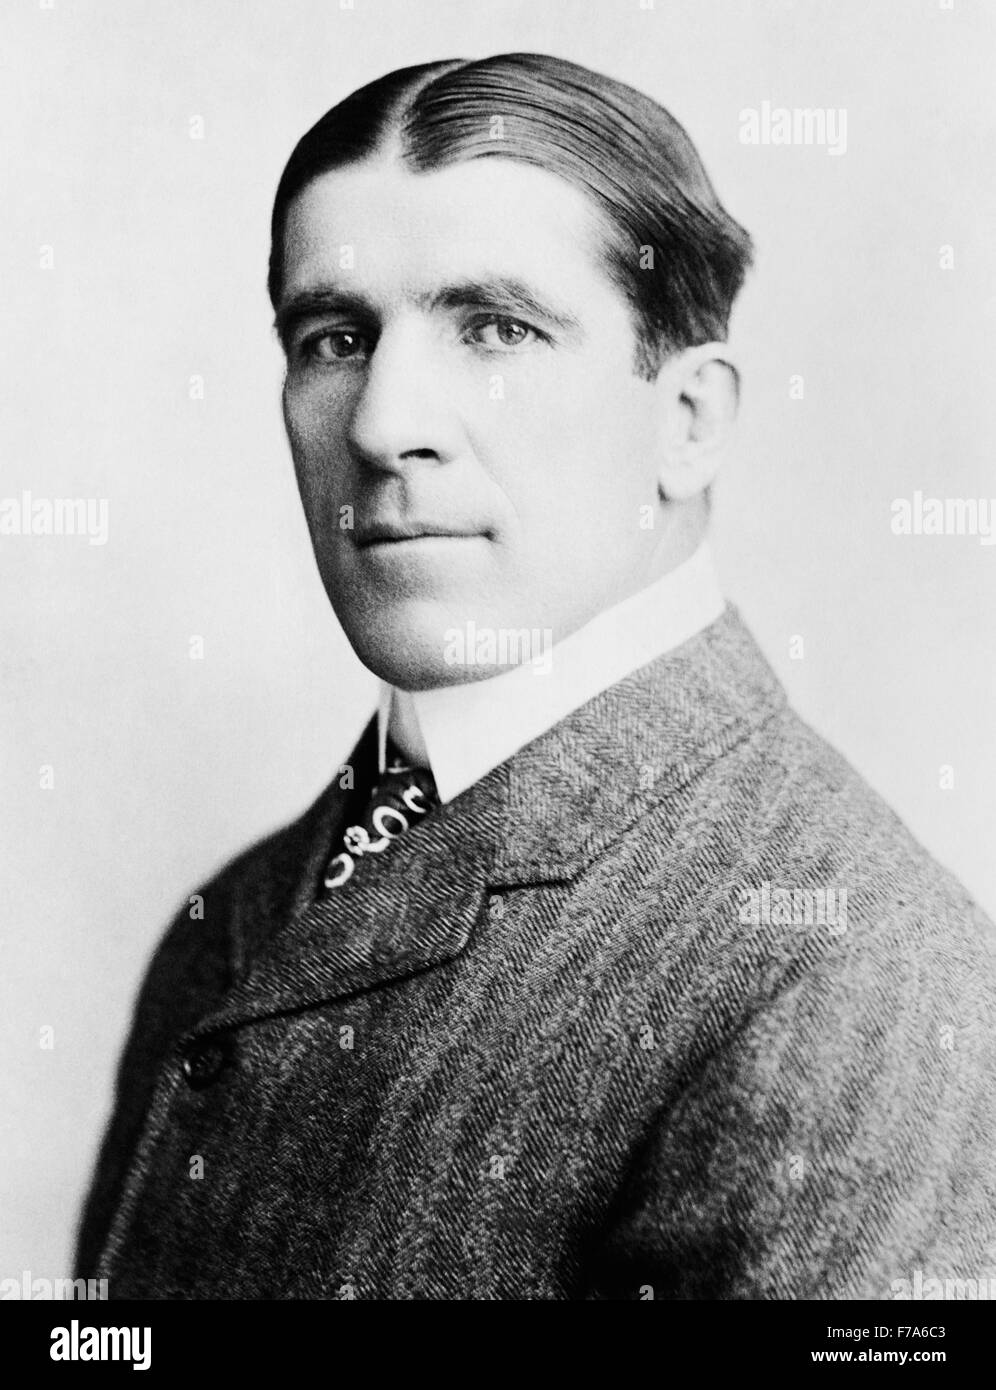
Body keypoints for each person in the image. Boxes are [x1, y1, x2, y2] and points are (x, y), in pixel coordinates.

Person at [75, 53, 996, 1300]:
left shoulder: (851, 974)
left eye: (497, 328)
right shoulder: (238, 919)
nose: (383, 421)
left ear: (689, 421)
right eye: (335, 336)